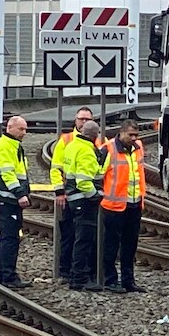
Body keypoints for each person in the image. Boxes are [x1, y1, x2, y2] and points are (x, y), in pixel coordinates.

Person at [49, 106, 99, 282]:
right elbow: (56, 168)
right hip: (74, 195)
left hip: (80, 194)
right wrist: (59, 192)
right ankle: (67, 271)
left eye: (87, 119)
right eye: (81, 119)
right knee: (70, 235)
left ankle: (85, 271)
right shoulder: (66, 140)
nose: (84, 122)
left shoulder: (99, 139)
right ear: (75, 120)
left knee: (87, 236)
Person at [98, 119, 147, 294]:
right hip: (113, 206)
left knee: (130, 245)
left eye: (136, 135)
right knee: (111, 245)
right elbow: (97, 176)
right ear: (122, 132)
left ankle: (128, 280)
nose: (134, 138)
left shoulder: (138, 147)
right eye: (130, 135)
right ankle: (110, 280)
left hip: (134, 204)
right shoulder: (108, 149)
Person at [0, 116, 31, 289]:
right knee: (10, 237)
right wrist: (20, 193)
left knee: (6, 236)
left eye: (25, 129)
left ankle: (3, 274)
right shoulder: (6, 146)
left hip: (7, 197)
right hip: (8, 198)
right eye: (21, 129)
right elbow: (8, 174)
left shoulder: (13, 145)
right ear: (10, 127)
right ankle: (8, 275)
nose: (24, 133)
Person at [63, 120, 104, 291]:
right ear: (95, 135)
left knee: (78, 238)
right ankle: (80, 278)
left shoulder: (72, 145)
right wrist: (95, 196)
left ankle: (75, 276)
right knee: (85, 240)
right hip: (84, 201)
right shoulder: (87, 150)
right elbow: (83, 181)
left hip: (72, 198)